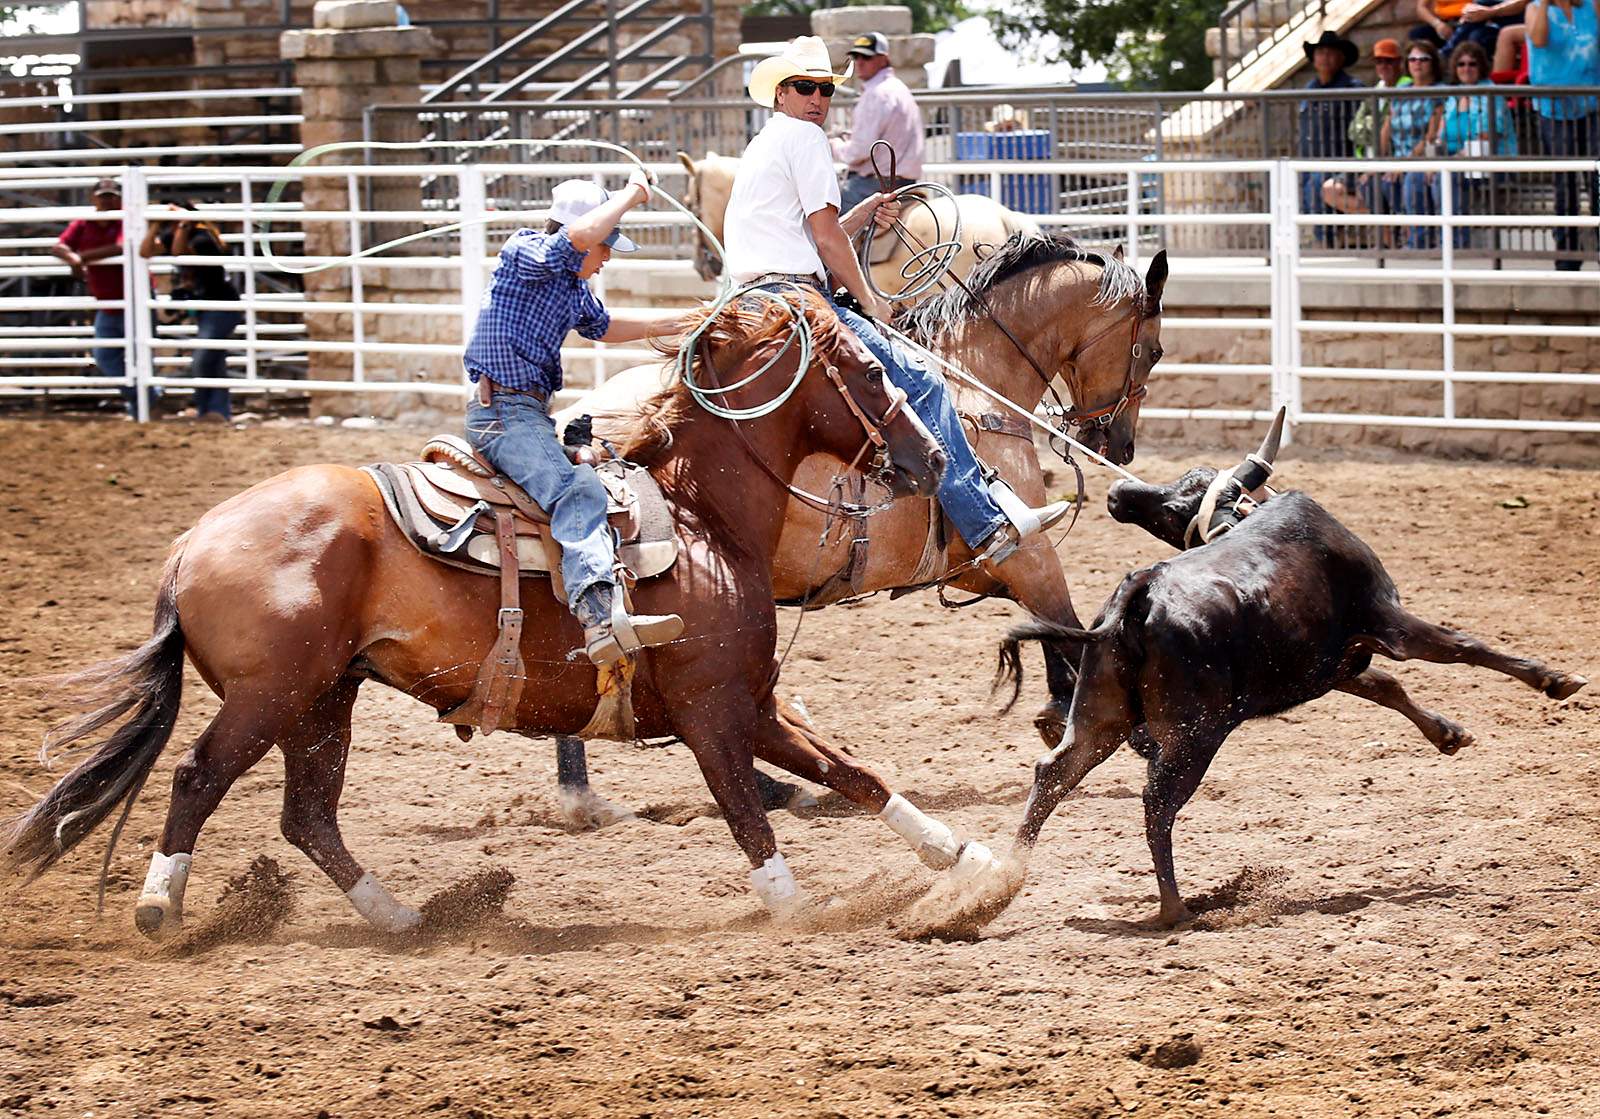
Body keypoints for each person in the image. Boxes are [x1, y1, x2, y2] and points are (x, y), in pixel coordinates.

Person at [724, 36, 1069, 569]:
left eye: (825, 88)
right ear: (781, 93)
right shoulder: (806, 140)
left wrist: (860, 215)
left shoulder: (766, 141)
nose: (818, 97)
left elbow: (809, 234)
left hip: (752, 295)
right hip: (793, 296)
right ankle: (984, 525)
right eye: (806, 87)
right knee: (923, 382)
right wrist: (868, 299)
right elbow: (823, 237)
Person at [463, 174, 690, 666]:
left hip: (522, 415)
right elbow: (576, 241)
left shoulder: (571, 286)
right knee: (577, 490)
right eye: (607, 245)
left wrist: (687, 321)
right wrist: (633, 194)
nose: (607, 256)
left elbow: (605, 327)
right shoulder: (526, 252)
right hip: (502, 413)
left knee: (597, 464)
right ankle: (598, 617)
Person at [140, 201, 242, 422]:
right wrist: (156, 225)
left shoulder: (202, 239)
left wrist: (183, 225)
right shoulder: (182, 234)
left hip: (221, 306)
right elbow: (145, 251)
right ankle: (215, 412)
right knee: (213, 360)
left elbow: (179, 253)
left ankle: (210, 410)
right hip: (209, 307)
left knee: (204, 360)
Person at [51, 177, 135, 414]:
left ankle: (141, 403)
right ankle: (146, 396)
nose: (107, 201)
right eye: (103, 197)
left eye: (111, 196)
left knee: (135, 356)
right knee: (105, 355)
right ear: (94, 199)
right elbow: (58, 246)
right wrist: (73, 258)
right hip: (107, 302)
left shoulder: (125, 220)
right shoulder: (85, 222)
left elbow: (121, 247)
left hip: (133, 300)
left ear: (119, 198)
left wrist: (81, 258)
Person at [1526, 0, 1599, 269]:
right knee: (1564, 185)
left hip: (1593, 107)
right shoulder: (1535, 8)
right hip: (1553, 111)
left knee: (1598, 181)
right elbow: (1539, 38)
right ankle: (1568, 256)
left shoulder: (1592, 7)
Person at [1428, 40, 1518, 247]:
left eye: (1472, 64)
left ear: (1481, 67)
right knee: (1415, 178)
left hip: (1488, 162)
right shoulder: (1453, 96)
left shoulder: (1490, 93)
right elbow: (1441, 135)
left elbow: (1485, 135)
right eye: (1461, 64)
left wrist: (1452, 160)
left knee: (1446, 177)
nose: (1466, 68)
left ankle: (1454, 244)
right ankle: (1420, 242)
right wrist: (1432, 161)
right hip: (1454, 161)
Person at [1322, 39, 1408, 239]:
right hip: (1365, 161)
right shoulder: (1375, 91)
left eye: (1388, 61)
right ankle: (1382, 221)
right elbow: (1354, 130)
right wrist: (1373, 127)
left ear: (1399, 63)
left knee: (1375, 186)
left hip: (1390, 160)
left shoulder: (1406, 87)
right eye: (1379, 62)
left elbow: (1387, 130)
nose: (1383, 67)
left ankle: (1390, 242)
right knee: (1330, 189)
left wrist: (1370, 126)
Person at [830, 32, 924, 214]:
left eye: (866, 57)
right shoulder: (899, 88)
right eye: (856, 57)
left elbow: (860, 151)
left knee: (826, 219)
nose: (860, 62)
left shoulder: (876, 95)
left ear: (883, 59)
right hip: (906, 183)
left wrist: (836, 146)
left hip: (874, 185)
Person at [1298, 31, 1365, 245]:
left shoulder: (1353, 88)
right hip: (1312, 160)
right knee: (1304, 188)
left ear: (1341, 58)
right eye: (1320, 52)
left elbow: (1361, 129)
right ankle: (1322, 240)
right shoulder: (1310, 88)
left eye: (1330, 53)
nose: (1324, 57)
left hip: (1341, 161)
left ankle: (1328, 242)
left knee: (1319, 186)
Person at [1383, 41, 1447, 249]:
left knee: (1413, 179)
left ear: (1433, 63)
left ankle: (1417, 243)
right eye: (1412, 59)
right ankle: (1391, 243)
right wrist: (1382, 162)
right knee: (1373, 182)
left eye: (1423, 59)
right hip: (1399, 159)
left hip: (1424, 157)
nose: (1417, 64)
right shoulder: (1401, 90)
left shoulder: (1439, 91)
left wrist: (1404, 163)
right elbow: (1387, 127)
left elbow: (1430, 135)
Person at [1414, 0, 1530, 62]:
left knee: (1481, 5)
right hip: (1449, 22)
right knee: (1418, 34)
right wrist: (1437, 24)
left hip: (1513, 18)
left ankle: (1446, 55)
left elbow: (1521, 4)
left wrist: (1488, 12)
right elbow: (1421, 7)